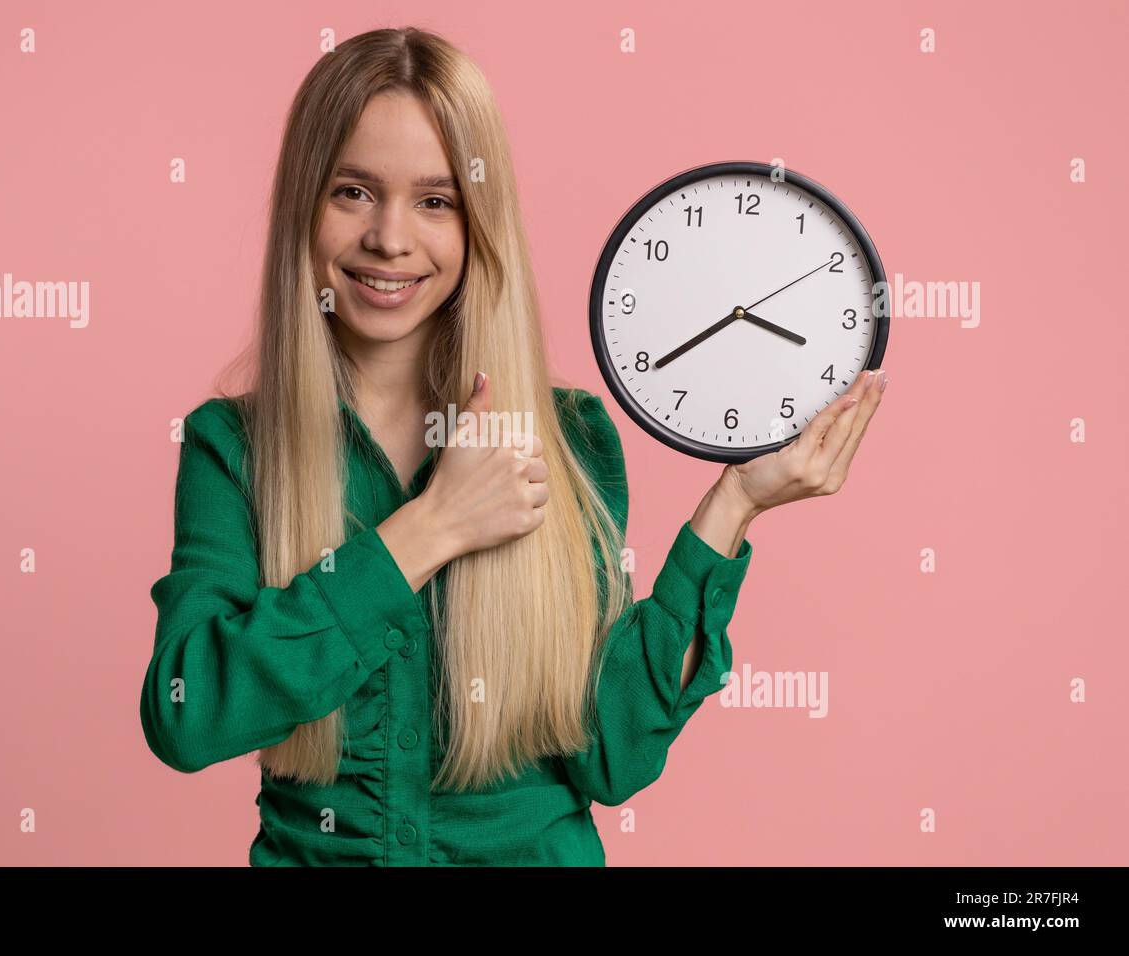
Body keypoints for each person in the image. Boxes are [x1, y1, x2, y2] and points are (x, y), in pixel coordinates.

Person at [139, 26, 887, 866]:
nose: (390, 238)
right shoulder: (232, 449)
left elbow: (610, 756)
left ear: (478, 220)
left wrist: (735, 505)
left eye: (435, 200)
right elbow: (186, 715)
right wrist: (432, 528)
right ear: (303, 205)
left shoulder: (570, 441)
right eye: (352, 191)